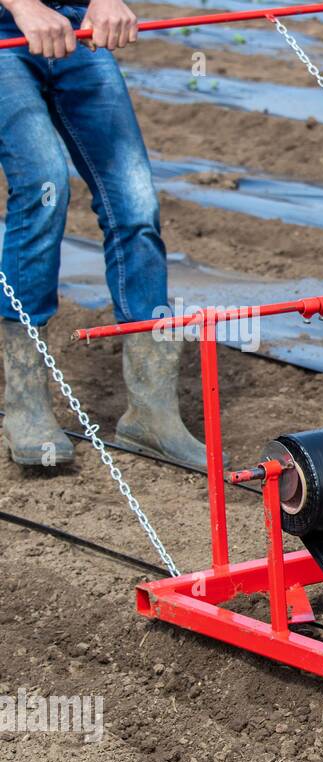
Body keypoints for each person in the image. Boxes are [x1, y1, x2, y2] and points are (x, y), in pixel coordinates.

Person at [0, 0, 206, 467]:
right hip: (6, 36)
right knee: (44, 184)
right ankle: (25, 404)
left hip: (76, 26)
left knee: (135, 202)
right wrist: (25, 7)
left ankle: (151, 414)